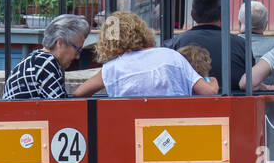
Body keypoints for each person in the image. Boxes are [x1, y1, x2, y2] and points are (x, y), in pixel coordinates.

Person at [75, 11, 217, 98]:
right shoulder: (171, 56)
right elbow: (208, 92)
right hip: (174, 128)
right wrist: (213, 80)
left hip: (130, 131)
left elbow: (79, 94)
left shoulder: (111, 68)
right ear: (141, 31)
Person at [165, 0, 248, 91]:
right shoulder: (242, 45)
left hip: (186, 106)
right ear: (223, 15)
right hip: (232, 105)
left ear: (192, 15)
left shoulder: (173, 45)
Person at [2, 14, 91, 100]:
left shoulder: (36, 59)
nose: (78, 57)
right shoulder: (45, 62)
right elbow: (61, 108)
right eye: (77, 50)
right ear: (59, 42)